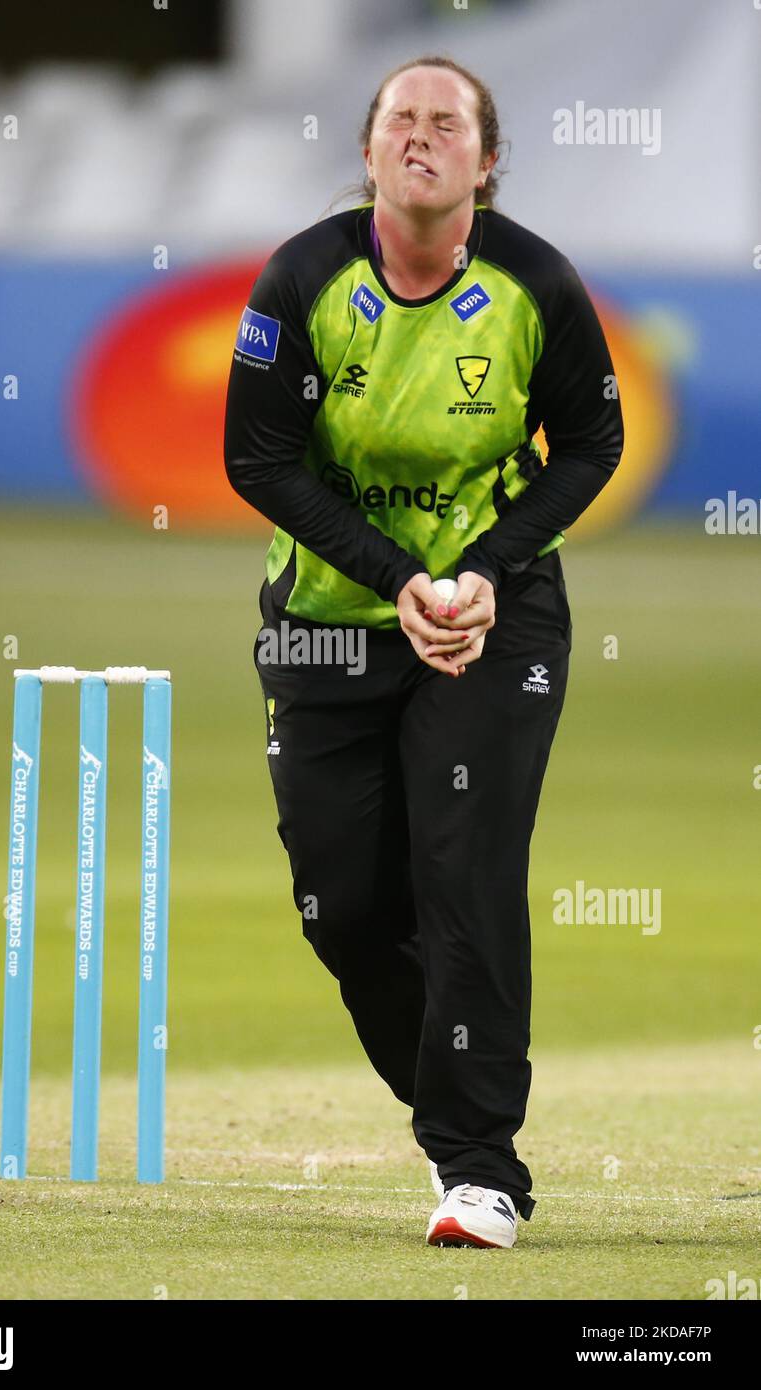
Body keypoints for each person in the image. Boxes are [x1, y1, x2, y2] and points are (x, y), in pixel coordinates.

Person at [223, 54, 623, 1249]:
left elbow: (590, 443)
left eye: (445, 122)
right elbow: (258, 458)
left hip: (489, 628)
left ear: (484, 164)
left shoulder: (533, 284)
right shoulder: (300, 278)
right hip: (331, 624)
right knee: (341, 905)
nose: (419, 135)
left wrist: (481, 574)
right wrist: (400, 578)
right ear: (366, 150)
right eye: (399, 117)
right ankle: (455, 1112)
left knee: (466, 877)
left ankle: (476, 1165)